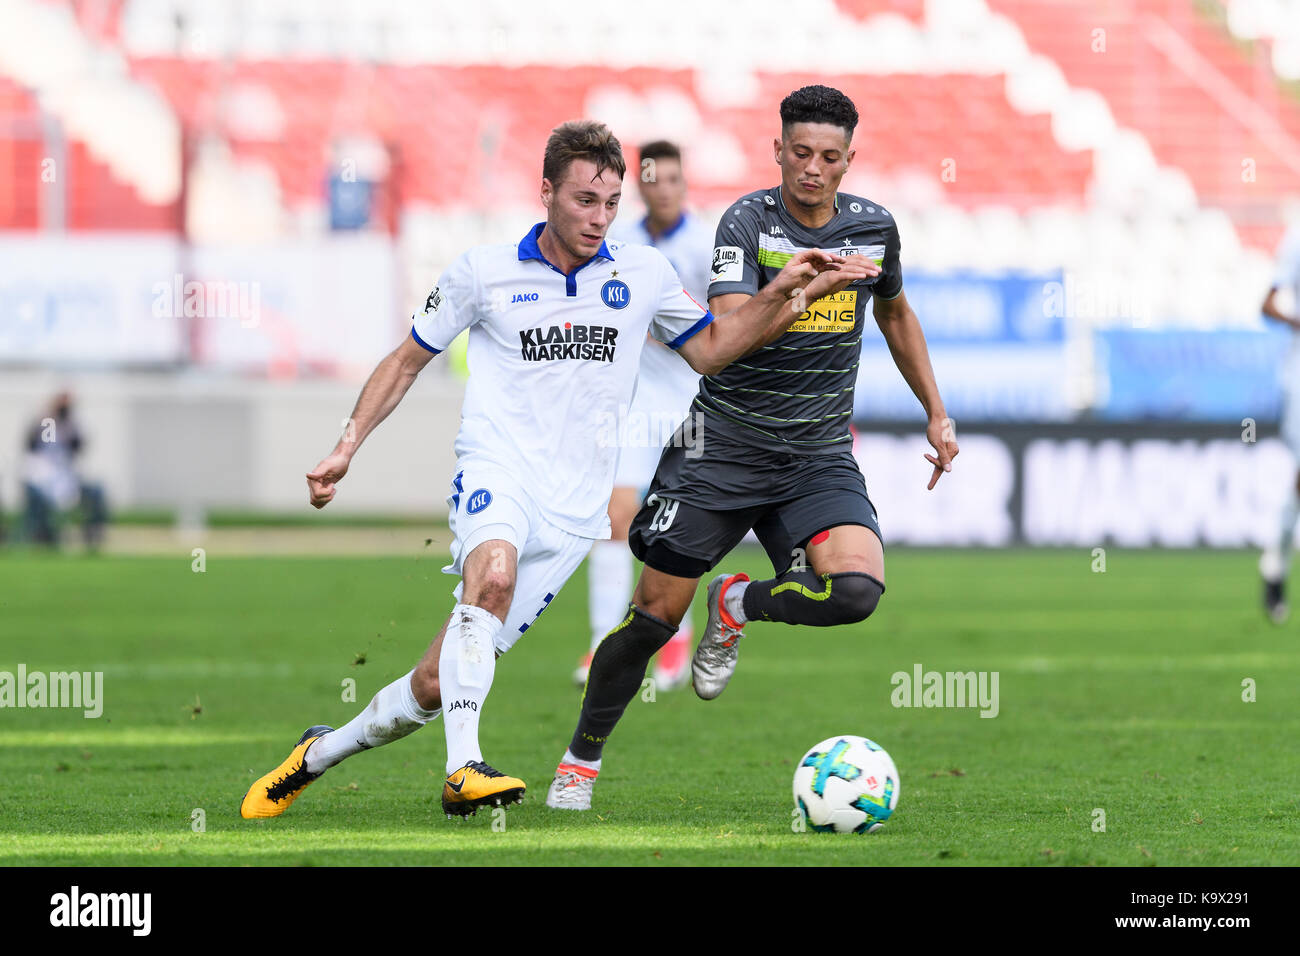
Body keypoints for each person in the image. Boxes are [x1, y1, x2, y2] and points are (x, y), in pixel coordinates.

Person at [239, 119, 873, 820]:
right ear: (546, 192)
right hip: (498, 467)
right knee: (495, 575)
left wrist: (790, 293)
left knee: (431, 682)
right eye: (582, 201)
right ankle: (463, 768)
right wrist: (347, 444)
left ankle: (318, 752)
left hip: (575, 509)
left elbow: (716, 349)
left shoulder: (642, 276)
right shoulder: (483, 272)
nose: (598, 218)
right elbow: (406, 359)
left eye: (609, 202)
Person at [545, 85, 958, 811]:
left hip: (817, 452)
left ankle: (739, 601)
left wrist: (937, 411)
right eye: (800, 152)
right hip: (726, 447)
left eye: (829, 157)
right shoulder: (748, 222)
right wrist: (799, 289)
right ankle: (581, 759)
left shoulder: (874, 228)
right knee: (652, 619)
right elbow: (728, 331)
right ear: (778, 150)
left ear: (848, 160)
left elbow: (895, 312)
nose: (812, 168)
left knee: (857, 591)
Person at [577, 139, 714, 691]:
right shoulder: (621, 243)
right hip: (633, 400)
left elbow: (729, 317)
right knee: (614, 515)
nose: (665, 189)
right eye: (655, 179)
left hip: (693, 399)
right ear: (641, 184)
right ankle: (601, 642)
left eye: (674, 180)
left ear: (685, 184)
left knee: (681, 527)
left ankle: (675, 633)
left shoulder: (709, 243)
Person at [1259, 219, 1300, 623]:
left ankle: (1274, 565)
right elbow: (1267, 303)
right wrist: (1297, 322)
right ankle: (1277, 566)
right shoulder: (1297, 238)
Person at [21, 391, 108, 550]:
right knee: (39, 497)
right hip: (44, 478)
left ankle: (92, 535)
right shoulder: (45, 422)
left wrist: (69, 428)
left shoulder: (72, 425)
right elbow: (36, 448)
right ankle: (44, 535)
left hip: (67, 477)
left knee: (96, 491)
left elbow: (78, 447)